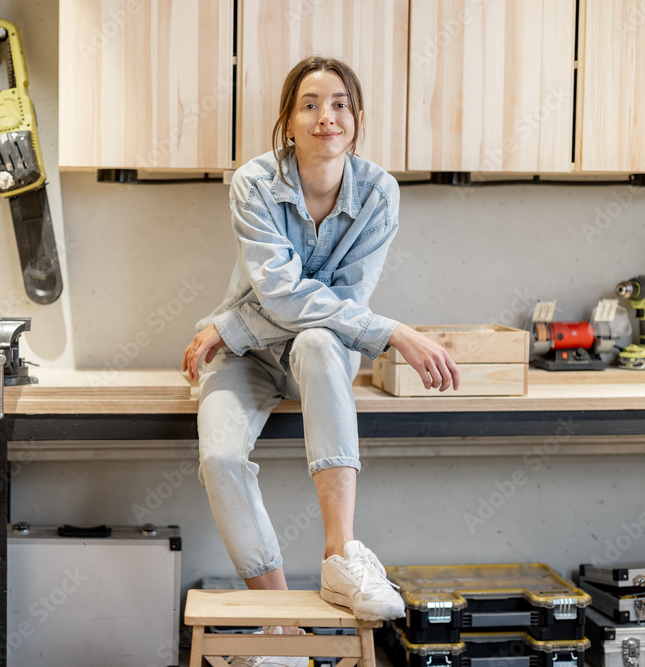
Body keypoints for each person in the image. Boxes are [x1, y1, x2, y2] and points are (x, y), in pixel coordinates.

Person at [182, 56, 461, 667]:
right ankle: (282, 629)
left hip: (306, 351)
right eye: (309, 103)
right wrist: (394, 333)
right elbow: (283, 292)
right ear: (287, 121)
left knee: (315, 340)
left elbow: (337, 308)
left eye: (339, 104)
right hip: (246, 354)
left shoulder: (379, 193)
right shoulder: (254, 181)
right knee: (221, 458)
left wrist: (228, 321)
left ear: (356, 120)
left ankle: (342, 556)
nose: (325, 116)